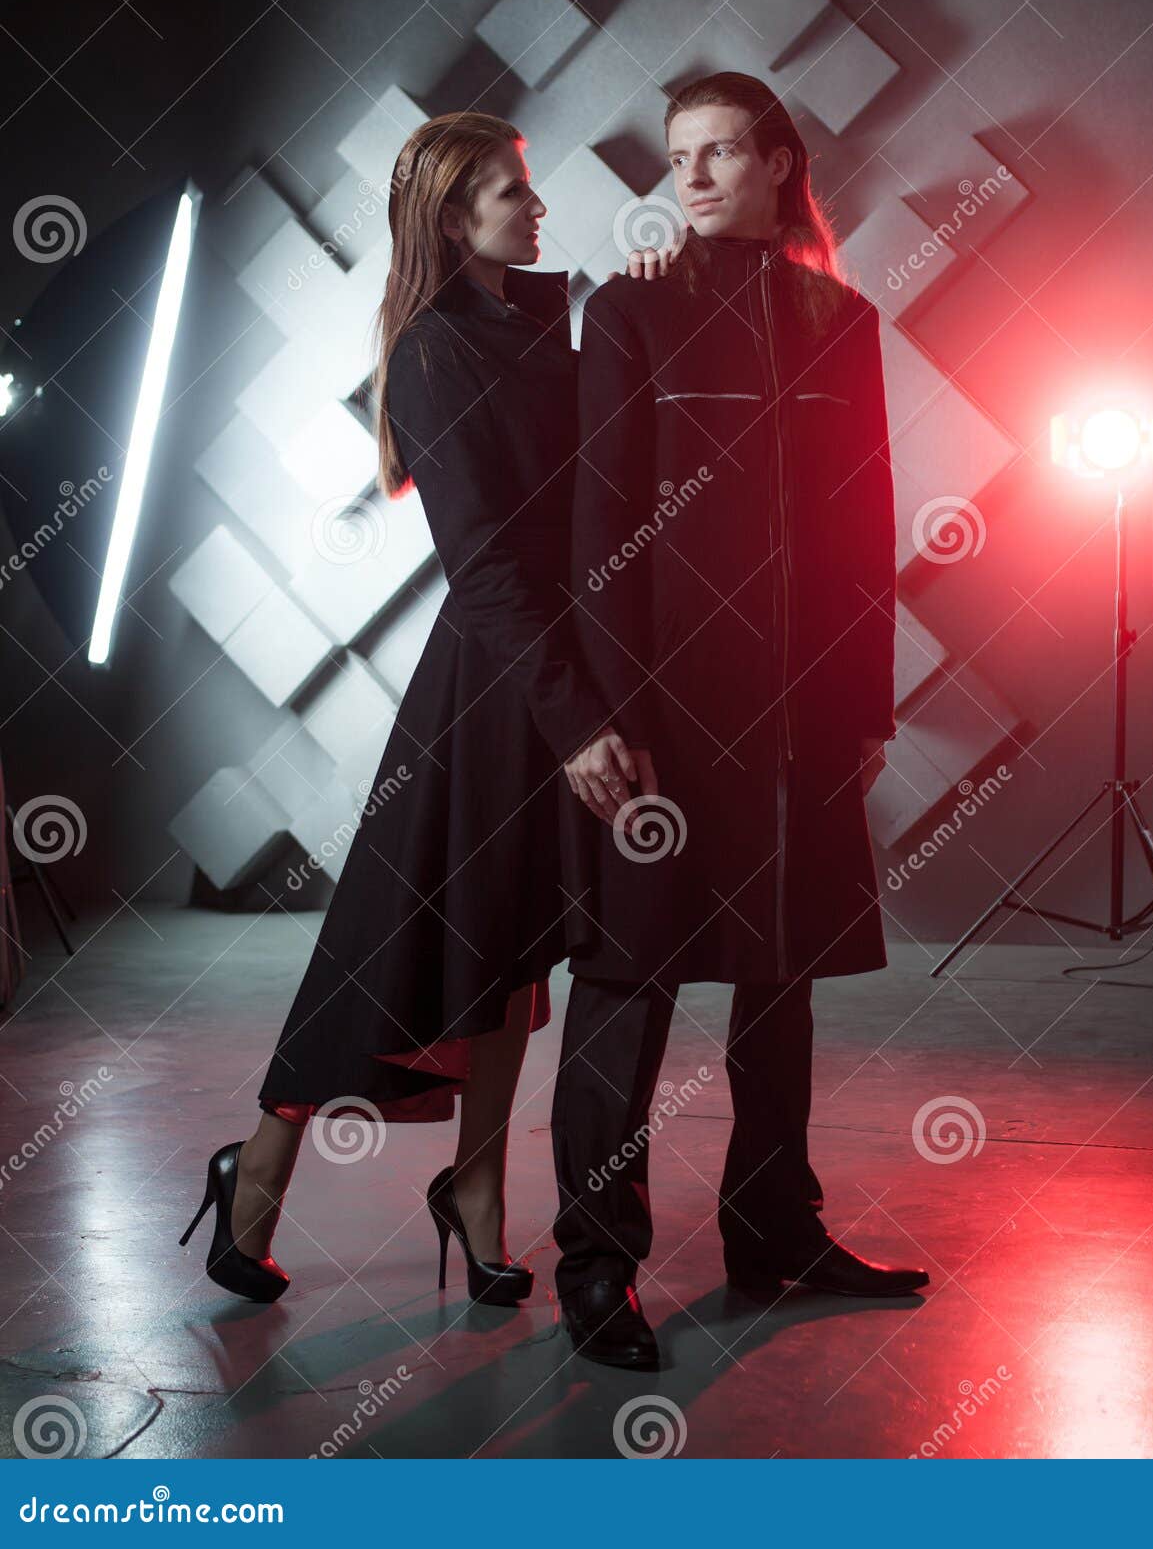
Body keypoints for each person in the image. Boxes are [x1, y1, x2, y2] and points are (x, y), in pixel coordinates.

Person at [180, 113, 663, 1307]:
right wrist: (573, 717)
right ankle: (255, 1179)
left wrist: (661, 304)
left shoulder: (539, 320)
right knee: (382, 953)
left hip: (561, 670)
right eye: (511, 193)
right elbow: (487, 564)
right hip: (496, 685)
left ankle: (479, 1192)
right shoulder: (436, 350)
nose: (535, 207)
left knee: (511, 950)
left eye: (529, 188)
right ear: (455, 217)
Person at [552, 71, 930, 1369]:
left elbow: (866, 521)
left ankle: (776, 1227)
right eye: (680, 156)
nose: (695, 175)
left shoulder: (841, 317)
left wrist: (866, 698)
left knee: (784, 975)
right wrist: (605, 712)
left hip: (805, 715)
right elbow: (597, 531)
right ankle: (597, 1264)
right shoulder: (633, 314)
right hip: (662, 716)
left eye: (720, 151)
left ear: (779, 161)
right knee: (628, 984)